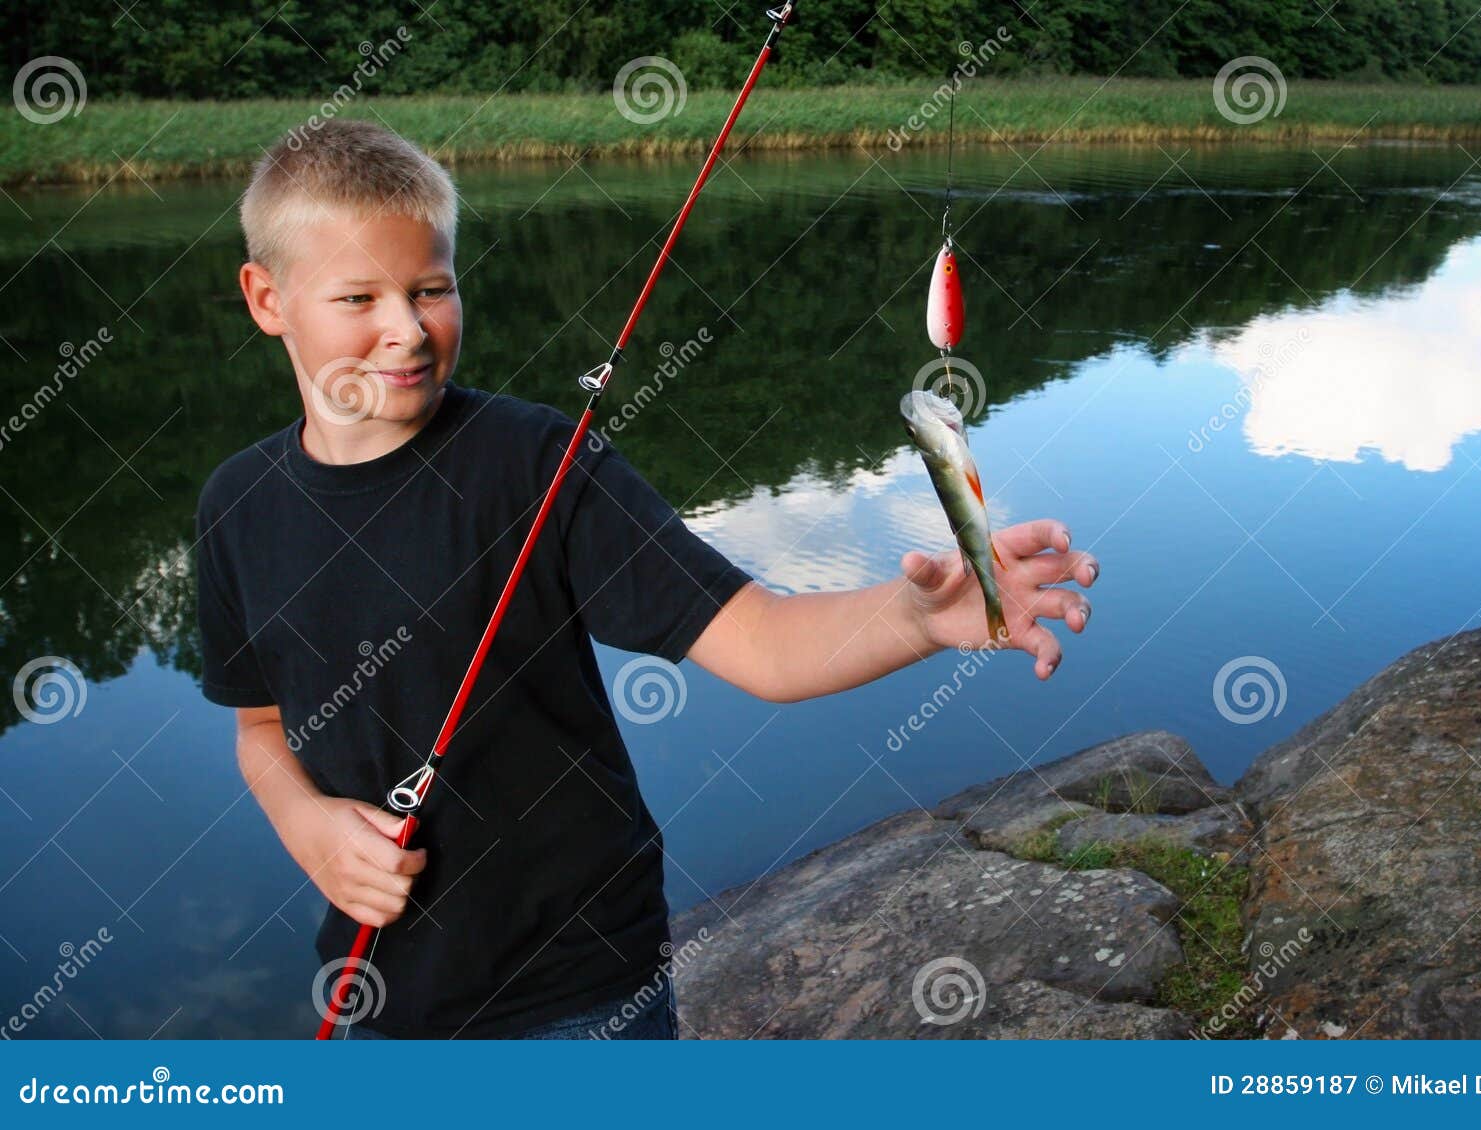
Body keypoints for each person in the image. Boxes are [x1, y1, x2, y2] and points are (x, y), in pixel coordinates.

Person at [195, 118, 1098, 1039]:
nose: (407, 329)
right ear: (268, 299)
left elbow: (763, 643)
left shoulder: (538, 461)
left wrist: (917, 617)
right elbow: (260, 725)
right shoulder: (236, 506)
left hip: (580, 994)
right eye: (359, 298)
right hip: (375, 995)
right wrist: (308, 828)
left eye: (432, 288)